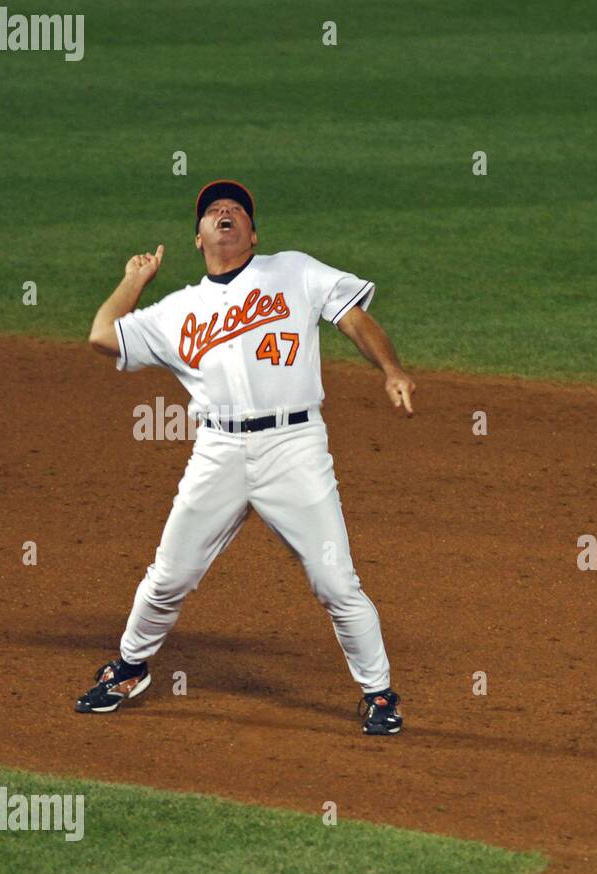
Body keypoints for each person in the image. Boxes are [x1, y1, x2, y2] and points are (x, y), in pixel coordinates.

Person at [75, 179, 414, 735]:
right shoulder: (178, 310)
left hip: (294, 447)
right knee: (169, 576)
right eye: (212, 210)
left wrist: (391, 369)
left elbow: (354, 318)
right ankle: (129, 669)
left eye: (235, 209)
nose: (224, 212)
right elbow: (101, 335)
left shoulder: (294, 271)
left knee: (335, 582)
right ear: (199, 237)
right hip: (219, 452)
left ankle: (379, 694)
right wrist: (134, 280)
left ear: (253, 234)